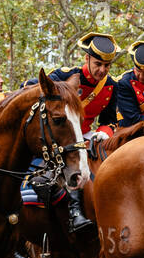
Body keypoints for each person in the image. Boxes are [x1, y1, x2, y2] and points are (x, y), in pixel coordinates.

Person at [35, 31, 121, 234]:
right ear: (87, 59)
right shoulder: (63, 75)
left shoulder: (111, 86)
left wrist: (104, 131)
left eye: (107, 66)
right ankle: (75, 212)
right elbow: (36, 92)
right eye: (98, 64)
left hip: (87, 134)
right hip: (60, 134)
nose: (102, 70)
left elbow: (109, 119)